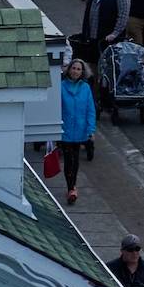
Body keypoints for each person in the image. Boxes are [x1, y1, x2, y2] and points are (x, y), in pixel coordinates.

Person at [56, 57, 96, 207]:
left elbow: (90, 110)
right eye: (74, 68)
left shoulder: (85, 88)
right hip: (65, 130)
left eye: (79, 69)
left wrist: (91, 129)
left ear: (82, 72)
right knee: (68, 160)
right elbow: (57, 109)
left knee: (75, 159)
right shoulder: (61, 86)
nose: (75, 71)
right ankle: (71, 188)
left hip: (80, 130)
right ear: (69, 69)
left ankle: (72, 187)